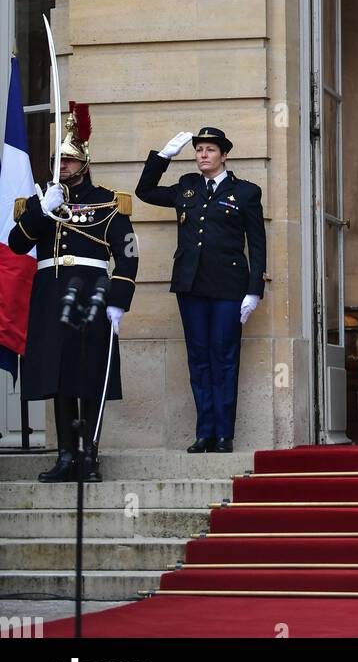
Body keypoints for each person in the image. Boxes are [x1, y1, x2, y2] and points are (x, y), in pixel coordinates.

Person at [7, 103, 137, 482]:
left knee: (90, 376)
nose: (61, 167)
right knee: (60, 377)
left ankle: (90, 455)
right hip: (50, 299)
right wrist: (43, 211)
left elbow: (128, 255)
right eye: (58, 161)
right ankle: (66, 456)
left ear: (84, 164)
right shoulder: (42, 202)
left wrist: (118, 301)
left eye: (68, 162)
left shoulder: (109, 203)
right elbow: (17, 243)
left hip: (93, 295)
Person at [135, 127, 266, 454]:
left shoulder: (246, 192)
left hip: (228, 286)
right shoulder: (187, 188)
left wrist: (255, 290)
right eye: (199, 150)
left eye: (209, 150)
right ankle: (204, 432)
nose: (202, 155)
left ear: (224, 155)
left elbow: (258, 243)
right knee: (199, 358)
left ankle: (224, 434)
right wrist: (163, 156)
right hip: (191, 284)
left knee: (224, 357)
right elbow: (144, 191)